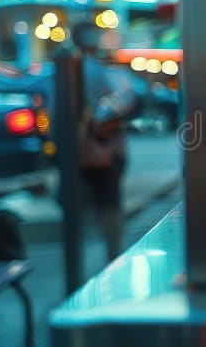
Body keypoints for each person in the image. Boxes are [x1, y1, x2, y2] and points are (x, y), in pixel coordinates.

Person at [74, 22, 137, 261]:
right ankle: (111, 256)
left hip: (89, 151)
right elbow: (126, 101)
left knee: (96, 205)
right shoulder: (100, 70)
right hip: (105, 151)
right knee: (109, 204)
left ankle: (102, 257)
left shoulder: (81, 68)